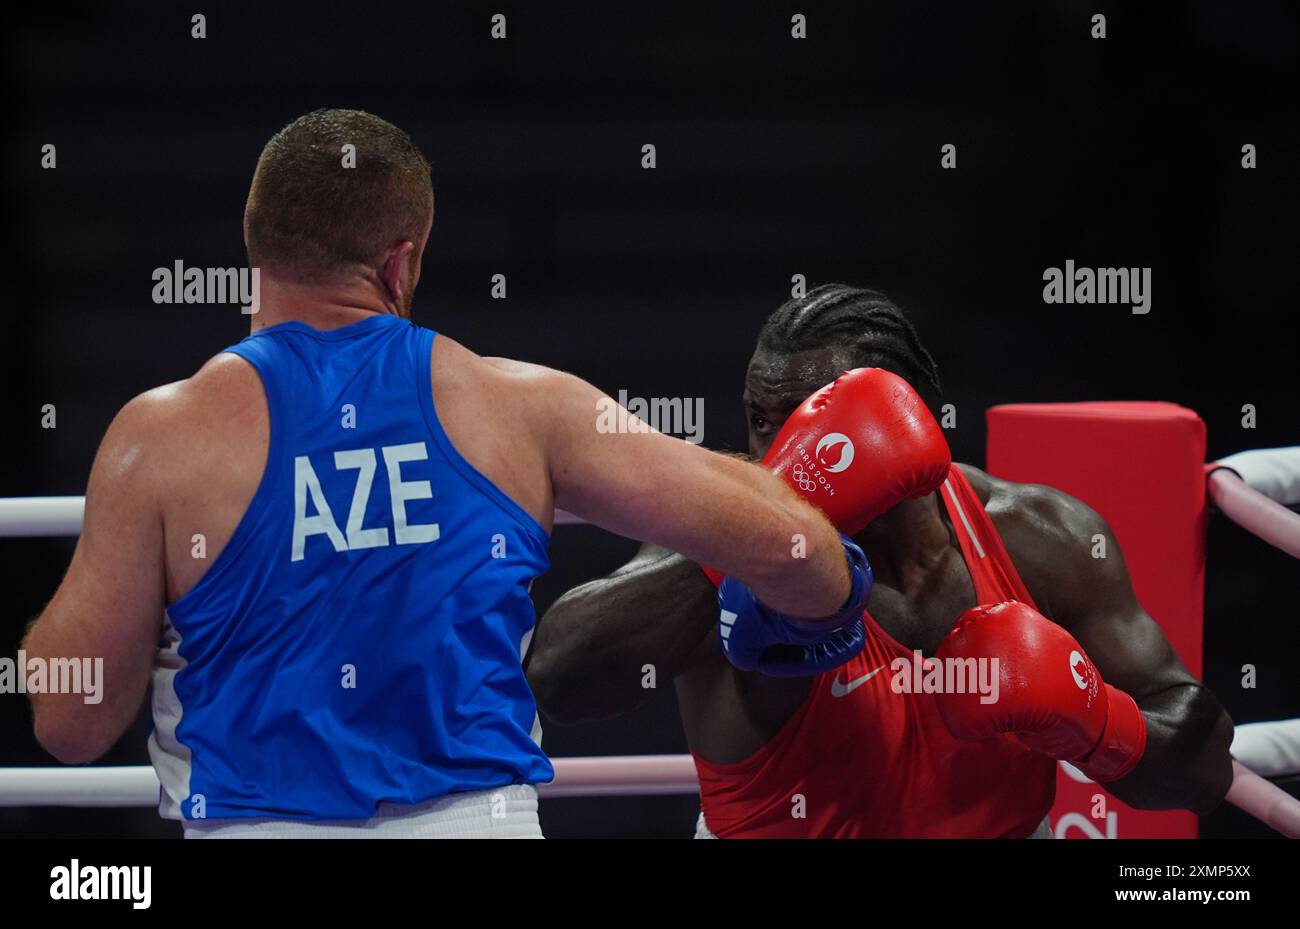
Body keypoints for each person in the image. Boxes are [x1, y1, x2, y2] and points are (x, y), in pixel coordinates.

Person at [21, 110, 866, 839]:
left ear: (253, 246)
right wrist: (833, 589)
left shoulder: (159, 439)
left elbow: (70, 721)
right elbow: (796, 550)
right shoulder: (520, 406)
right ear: (401, 263)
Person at [528, 284, 1235, 838]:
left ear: (912, 418)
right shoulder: (718, 526)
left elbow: (1203, 770)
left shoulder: (1035, 536)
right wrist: (760, 532)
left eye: (811, 419)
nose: (777, 450)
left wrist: (1100, 722)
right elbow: (557, 677)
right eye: (760, 418)